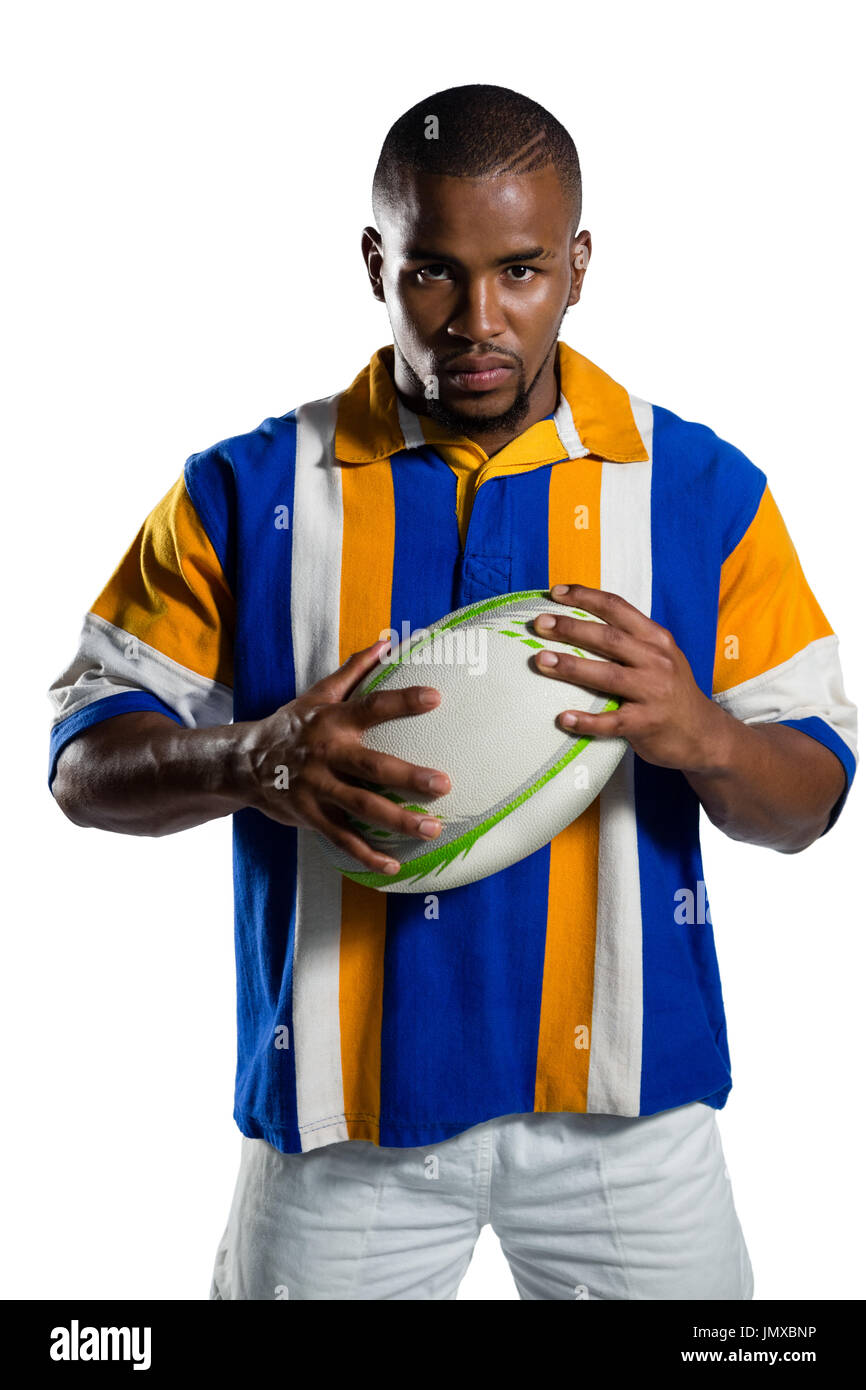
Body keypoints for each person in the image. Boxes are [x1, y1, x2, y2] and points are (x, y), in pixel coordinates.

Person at [46, 84, 857, 1301]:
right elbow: (82, 758)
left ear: (578, 266)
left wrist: (703, 738)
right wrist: (246, 760)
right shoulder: (246, 485)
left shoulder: (697, 486)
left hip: (627, 1124)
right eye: (432, 273)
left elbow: (815, 794)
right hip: (343, 1121)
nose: (477, 319)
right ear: (375, 261)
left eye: (522, 270)